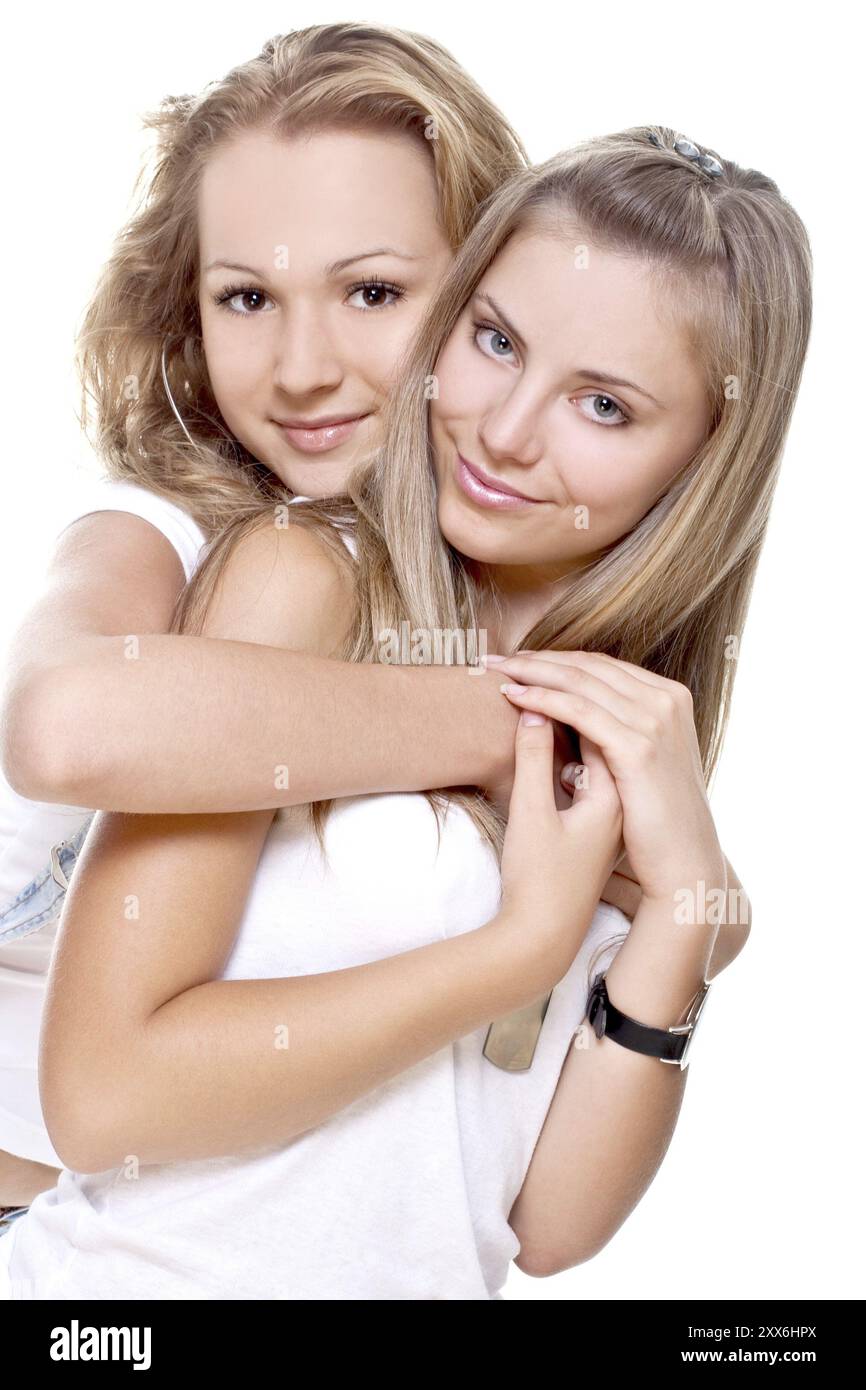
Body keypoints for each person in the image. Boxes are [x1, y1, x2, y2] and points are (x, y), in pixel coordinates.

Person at [0, 123, 809, 1298]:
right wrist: (518, 944)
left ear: (705, 457)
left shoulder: (626, 733)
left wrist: (684, 916)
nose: (503, 429)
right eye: (495, 342)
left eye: (603, 406)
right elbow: (102, 1096)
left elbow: (540, 1224)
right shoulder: (304, 578)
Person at [0, 18, 557, 1210]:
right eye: (246, 297)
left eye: (370, 290)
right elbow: (63, 722)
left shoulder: (469, 587)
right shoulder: (172, 533)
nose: (302, 366)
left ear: (485, 297)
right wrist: (505, 726)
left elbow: (528, 1186)